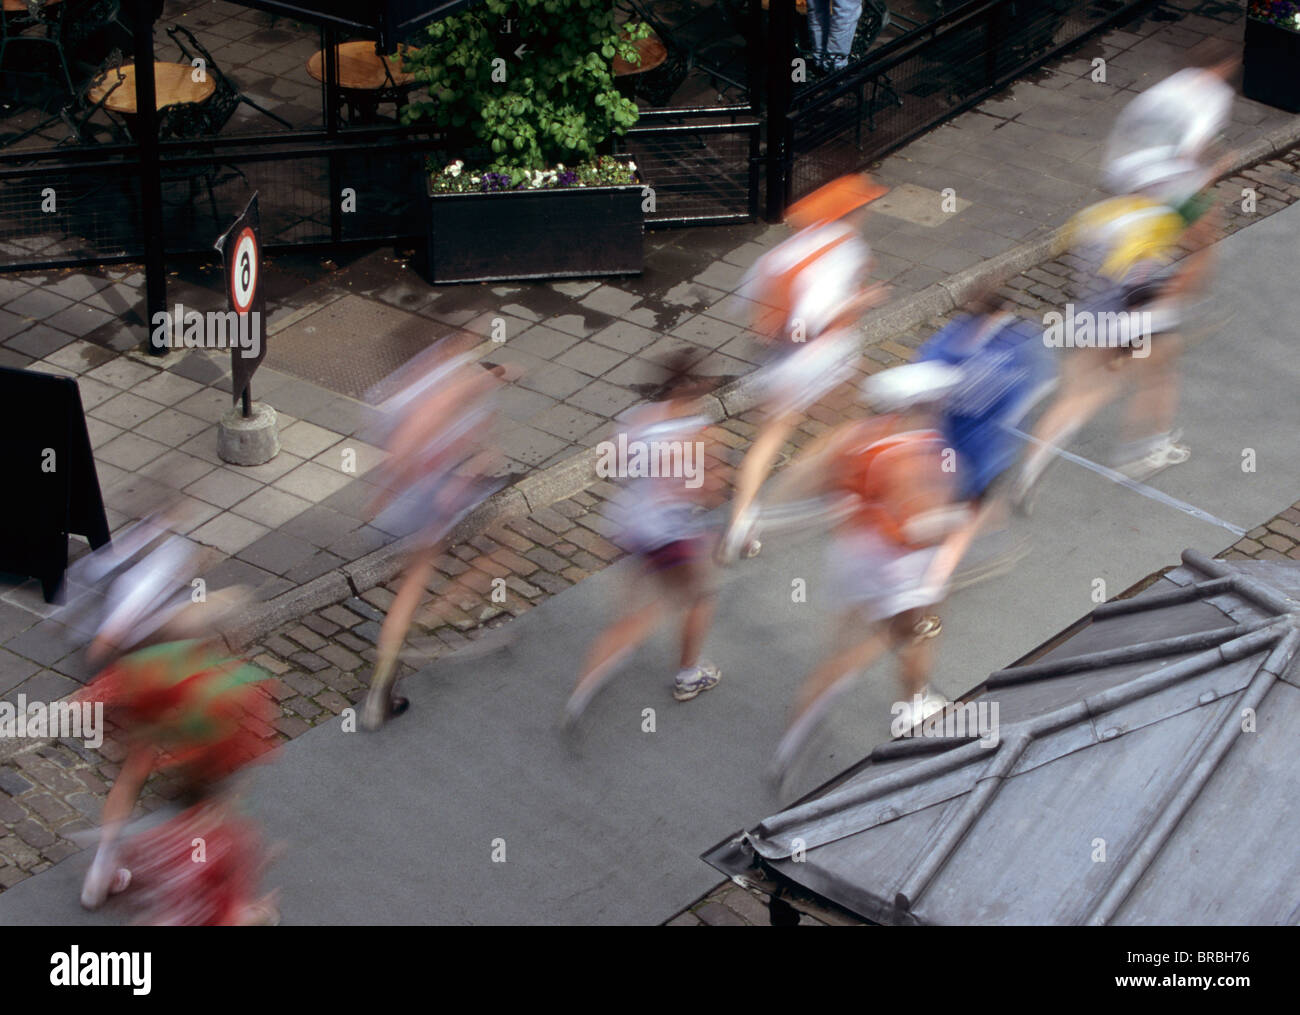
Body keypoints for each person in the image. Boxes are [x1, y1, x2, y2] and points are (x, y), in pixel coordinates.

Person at [768, 361, 969, 783]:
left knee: (843, 645)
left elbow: (809, 477)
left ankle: (791, 740)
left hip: (850, 554)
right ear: (923, 405)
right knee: (918, 632)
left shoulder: (857, 437)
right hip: (897, 566)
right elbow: (915, 527)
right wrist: (958, 519)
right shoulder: (919, 453)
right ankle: (911, 707)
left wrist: (765, 521)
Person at [720, 173, 889, 563]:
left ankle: (740, 522)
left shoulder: (787, 252)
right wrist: (864, 301)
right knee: (844, 423)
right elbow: (817, 318)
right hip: (822, 359)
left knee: (769, 438)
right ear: (850, 214)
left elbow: (748, 302)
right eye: (862, 208)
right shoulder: (846, 249)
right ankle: (811, 498)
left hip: (776, 364)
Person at [565, 354, 729, 726]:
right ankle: (689, 675)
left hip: (628, 526)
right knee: (695, 598)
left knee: (625, 614)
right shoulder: (702, 432)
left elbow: (603, 464)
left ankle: (582, 690)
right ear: (699, 388)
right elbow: (708, 491)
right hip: (668, 534)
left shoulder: (640, 419)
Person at [361, 343, 512, 731]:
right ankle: (431, 622)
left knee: (421, 577)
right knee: (505, 549)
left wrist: (384, 493)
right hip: (428, 501)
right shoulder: (451, 394)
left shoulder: (428, 385)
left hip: (417, 499)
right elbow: (421, 446)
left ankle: (430, 624)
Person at [912, 291, 1056, 593]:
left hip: (945, 446)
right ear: (997, 315)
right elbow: (1027, 393)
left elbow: (922, 380)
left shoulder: (948, 339)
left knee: (970, 502)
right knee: (968, 515)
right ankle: (931, 581)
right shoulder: (1012, 348)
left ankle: (991, 540)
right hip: (984, 454)